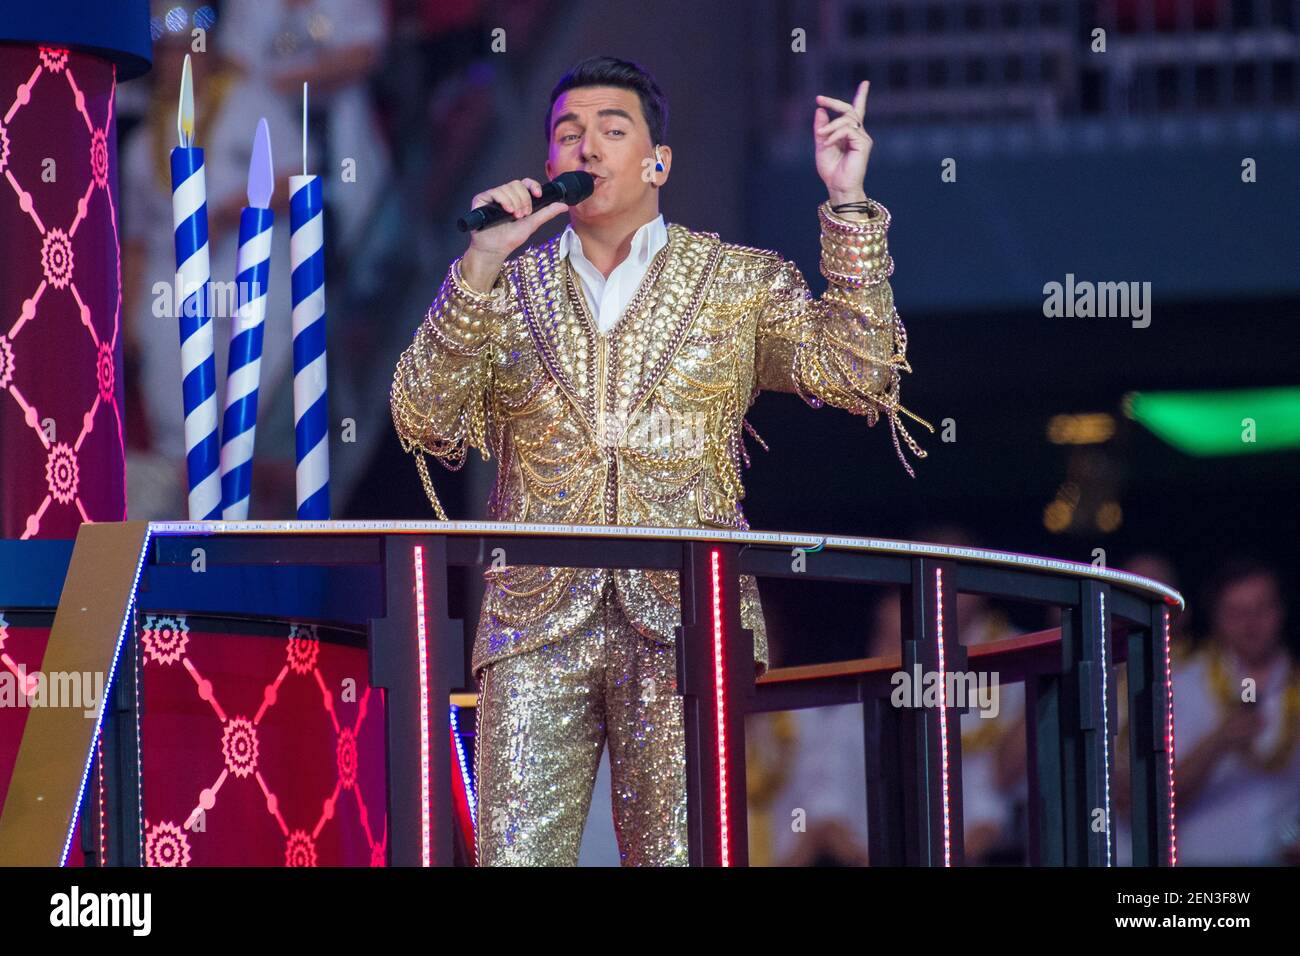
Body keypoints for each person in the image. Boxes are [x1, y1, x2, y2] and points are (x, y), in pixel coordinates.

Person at [390, 55, 931, 865]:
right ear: (547, 168)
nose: (589, 148)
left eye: (613, 130)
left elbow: (861, 373)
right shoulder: (501, 288)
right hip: (534, 625)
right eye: (569, 135)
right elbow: (420, 415)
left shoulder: (736, 282)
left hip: (685, 618)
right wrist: (478, 265)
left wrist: (847, 203)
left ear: (658, 162)